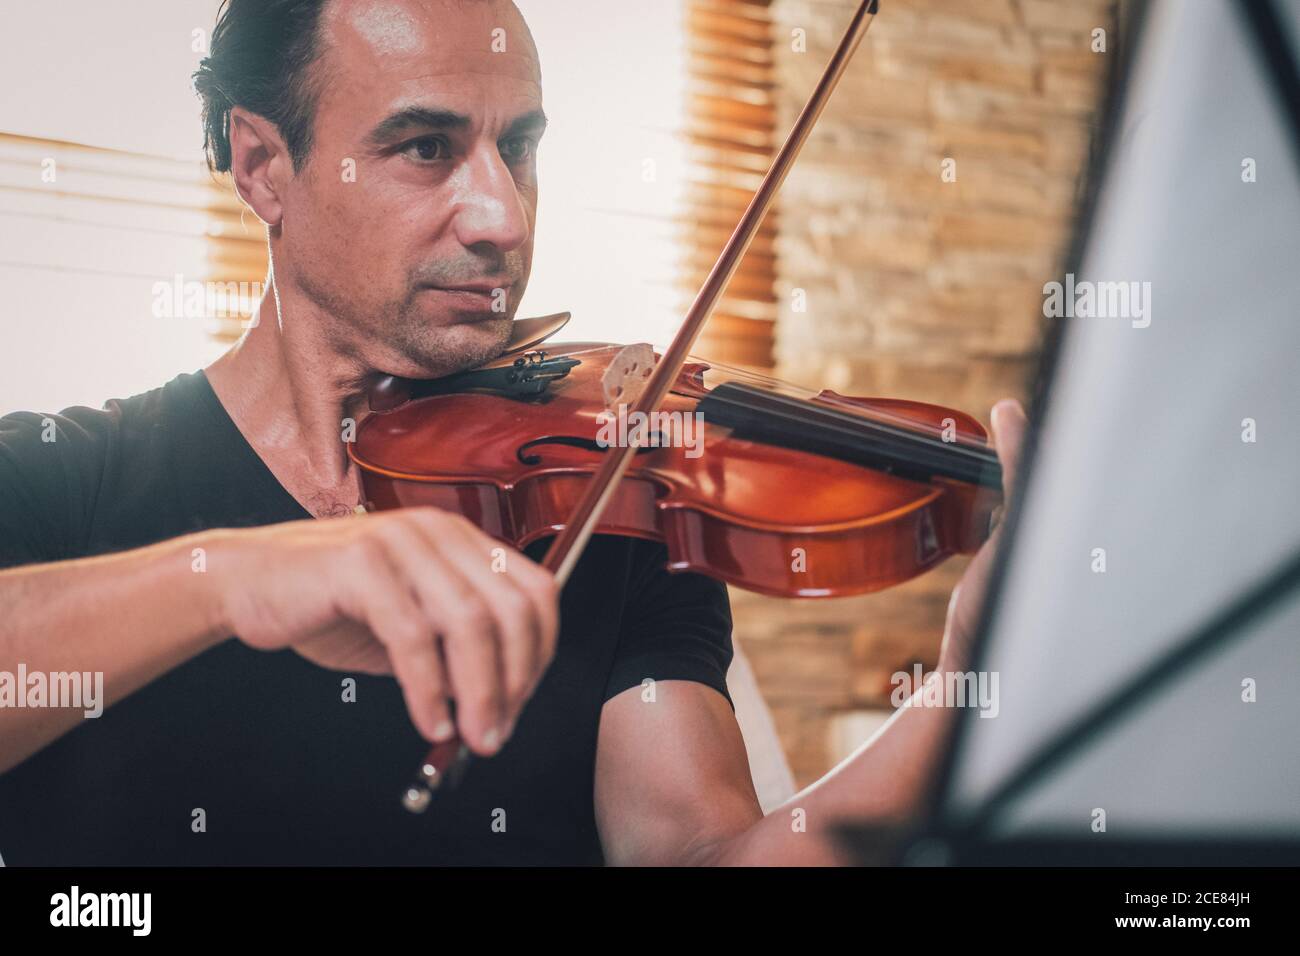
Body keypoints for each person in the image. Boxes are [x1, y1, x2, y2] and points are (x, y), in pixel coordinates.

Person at [0, 0, 1026, 865]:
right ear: (264, 165)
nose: (503, 217)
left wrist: (967, 682)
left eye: (518, 146)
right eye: (426, 148)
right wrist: (232, 577)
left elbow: (697, 856)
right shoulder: (72, 477)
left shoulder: (618, 501)